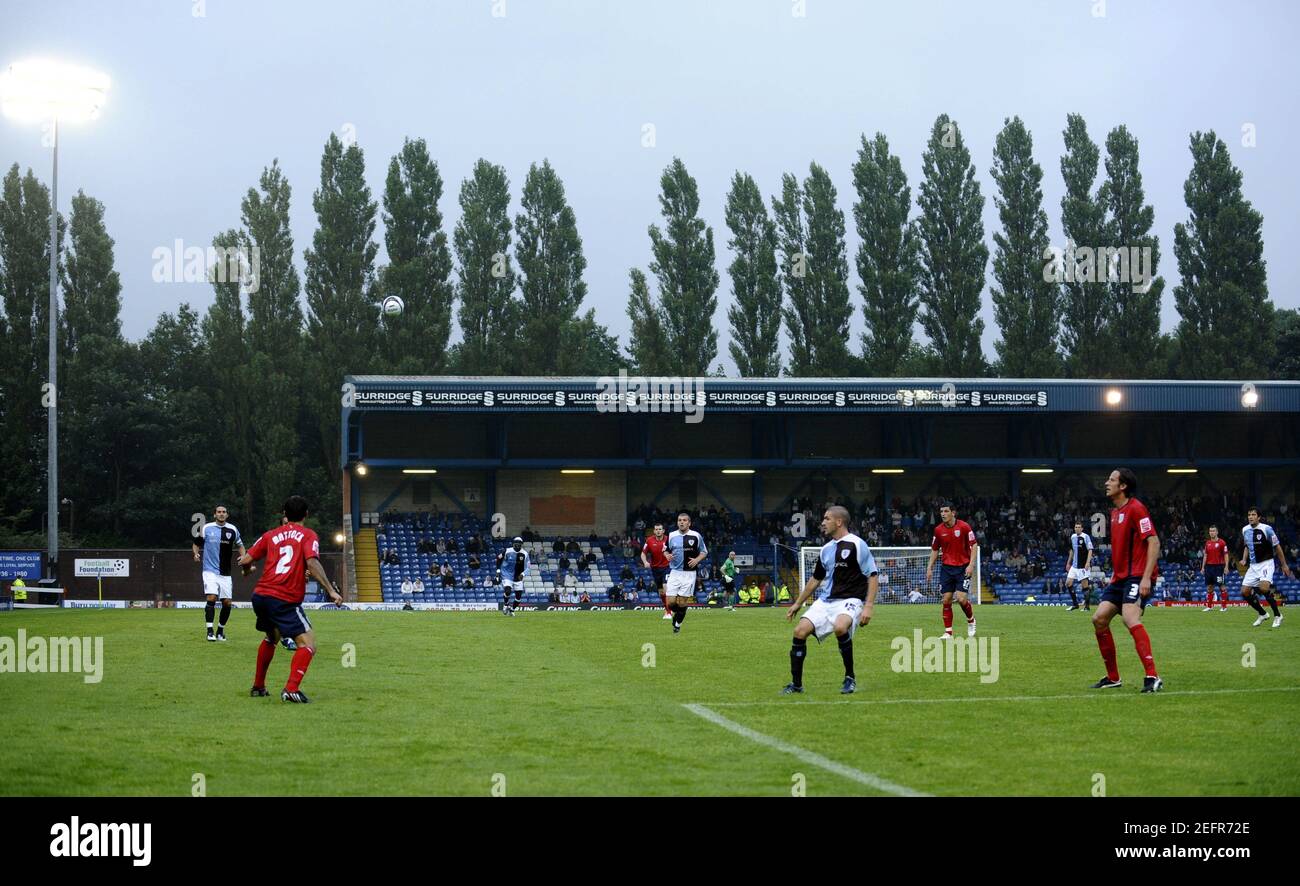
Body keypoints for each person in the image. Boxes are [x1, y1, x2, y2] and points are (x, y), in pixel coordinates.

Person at [238, 495, 342, 704]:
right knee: (308, 644)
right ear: (306, 514)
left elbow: (246, 559)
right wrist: (330, 590)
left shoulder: (270, 534)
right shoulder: (308, 535)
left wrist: (248, 570)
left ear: (284, 514)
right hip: (283, 598)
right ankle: (291, 689)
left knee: (272, 637)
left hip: (261, 596)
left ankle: (259, 686)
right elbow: (311, 562)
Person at [781, 506, 878, 695]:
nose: (822, 523)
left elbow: (873, 575)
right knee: (799, 631)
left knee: (840, 627)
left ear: (839, 522)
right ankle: (796, 685)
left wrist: (868, 606)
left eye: (826, 519)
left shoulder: (857, 545)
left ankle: (850, 678)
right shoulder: (826, 549)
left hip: (851, 600)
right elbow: (815, 580)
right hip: (826, 601)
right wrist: (797, 604)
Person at [1090, 469, 1163, 693]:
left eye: (1111, 479)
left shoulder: (1136, 509)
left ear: (1123, 486)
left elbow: (1154, 542)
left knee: (1130, 618)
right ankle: (1113, 678)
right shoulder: (1114, 513)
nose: (1106, 482)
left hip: (1136, 575)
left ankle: (1153, 676)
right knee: (1099, 619)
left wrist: (1145, 578)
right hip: (1120, 578)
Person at [924, 502, 978, 639]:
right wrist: (929, 567)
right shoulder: (938, 530)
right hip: (947, 568)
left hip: (963, 567)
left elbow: (974, 545)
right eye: (941, 511)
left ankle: (971, 620)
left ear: (953, 513)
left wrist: (971, 565)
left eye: (946, 511)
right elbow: (935, 549)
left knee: (961, 599)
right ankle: (948, 632)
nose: (943, 514)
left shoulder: (964, 527)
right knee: (946, 599)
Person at [192, 505, 245, 642]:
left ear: (227, 515)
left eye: (224, 512)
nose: (221, 514)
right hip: (209, 570)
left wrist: (243, 556)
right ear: (214, 514)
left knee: (227, 603)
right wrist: (196, 553)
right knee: (211, 597)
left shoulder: (232, 529)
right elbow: (196, 543)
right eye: (219, 512)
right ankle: (210, 631)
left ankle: (220, 631)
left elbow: (240, 545)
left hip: (225, 573)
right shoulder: (206, 528)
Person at [1239, 507, 1292, 628]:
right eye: (1249, 514)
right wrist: (1244, 558)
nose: (1250, 517)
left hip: (1266, 563)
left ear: (1259, 517)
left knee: (1263, 588)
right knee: (1244, 592)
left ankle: (1278, 615)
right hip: (1253, 565)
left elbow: (1277, 546)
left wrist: (1284, 565)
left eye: (1253, 514)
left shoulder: (1267, 529)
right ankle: (1262, 613)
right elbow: (1247, 546)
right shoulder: (1245, 530)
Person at [665, 512, 707, 634]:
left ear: (689, 523)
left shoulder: (696, 536)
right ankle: (678, 614)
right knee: (671, 602)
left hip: (689, 574)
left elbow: (704, 552)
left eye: (684, 520)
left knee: (682, 602)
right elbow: (666, 551)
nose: (681, 522)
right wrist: (667, 555)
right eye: (679, 520)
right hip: (675, 572)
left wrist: (697, 559)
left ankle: (677, 624)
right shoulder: (672, 535)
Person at [640, 521, 673, 621]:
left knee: (665, 587)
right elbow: (643, 553)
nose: (658, 531)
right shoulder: (649, 540)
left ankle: (668, 612)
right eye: (656, 529)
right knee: (661, 592)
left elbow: (676, 550)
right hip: (655, 569)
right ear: (654, 531)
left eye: (660, 529)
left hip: (667, 567)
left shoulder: (669, 539)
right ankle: (667, 609)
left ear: (663, 531)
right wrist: (645, 562)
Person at [1064, 520, 1094, 611]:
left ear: (1082, 528)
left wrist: (1088, 562)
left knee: (1085, 586)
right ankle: (1075, 604)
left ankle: (1087, 607)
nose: (1077, 529)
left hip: (1082, 566)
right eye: (1076, 527)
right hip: (1074, 566)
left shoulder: (1085, 537)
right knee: (1068, 583)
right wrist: (1068, 562)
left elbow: (1090, 550)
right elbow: (1072, 551)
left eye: (1079, 527)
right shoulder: (1073, 537)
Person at [497, 536, 531, 616]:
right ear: (513, 544)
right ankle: (505, 605)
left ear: (521, 544)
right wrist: (498, 571)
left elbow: (529, 567)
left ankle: (512, 610)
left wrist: (523, 574)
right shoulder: (507, 551)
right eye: (516, 543)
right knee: (508, 591)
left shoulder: (525, 554)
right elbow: (498, 559)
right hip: (507, 575)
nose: (517, 545)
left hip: (518, 577)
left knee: (518, 597)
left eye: (519, 544)